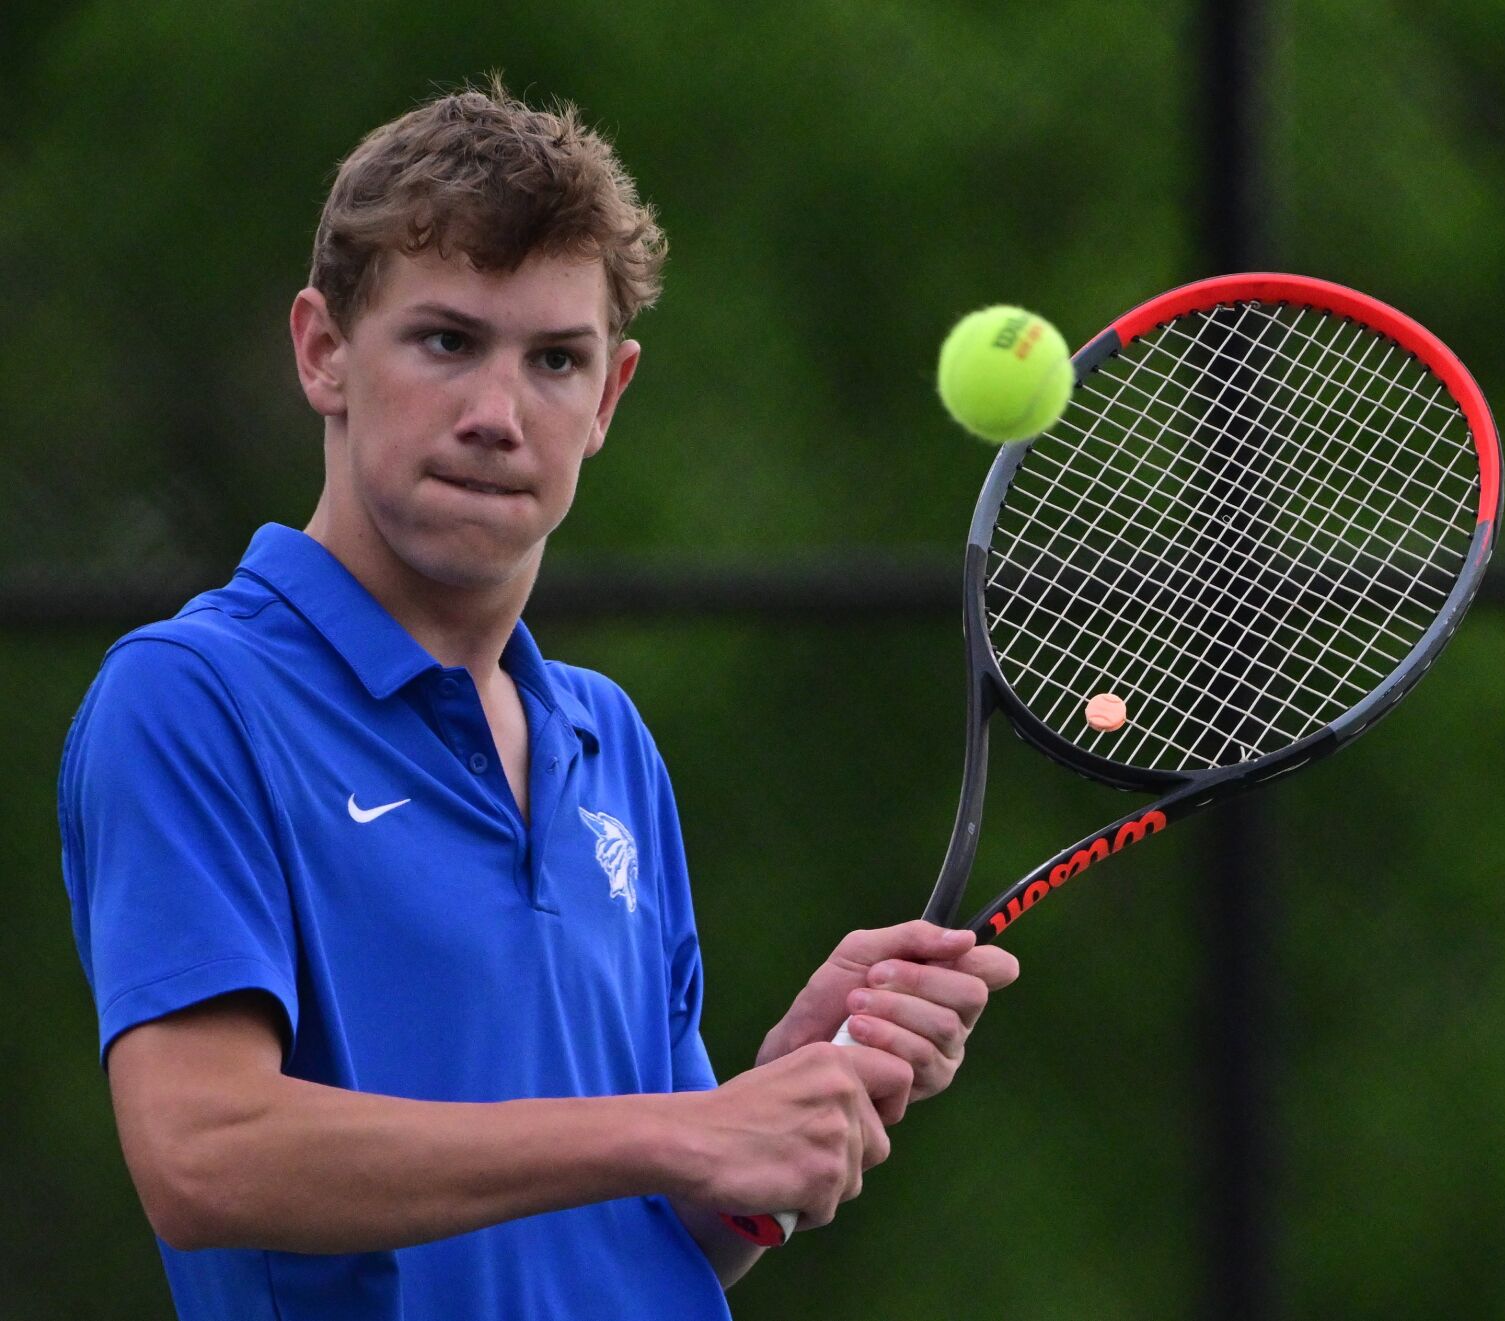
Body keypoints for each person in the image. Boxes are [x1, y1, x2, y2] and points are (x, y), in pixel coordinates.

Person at [58, 79, 1018, 1320]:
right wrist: (672, 1130)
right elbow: (203, 1154)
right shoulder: (190, 698)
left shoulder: (605, 738)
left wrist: (772, 1103)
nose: (498, 417)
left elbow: (650, 1234)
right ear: (323, 351)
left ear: (609, 396)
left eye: (554, 360)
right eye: (447, 342)